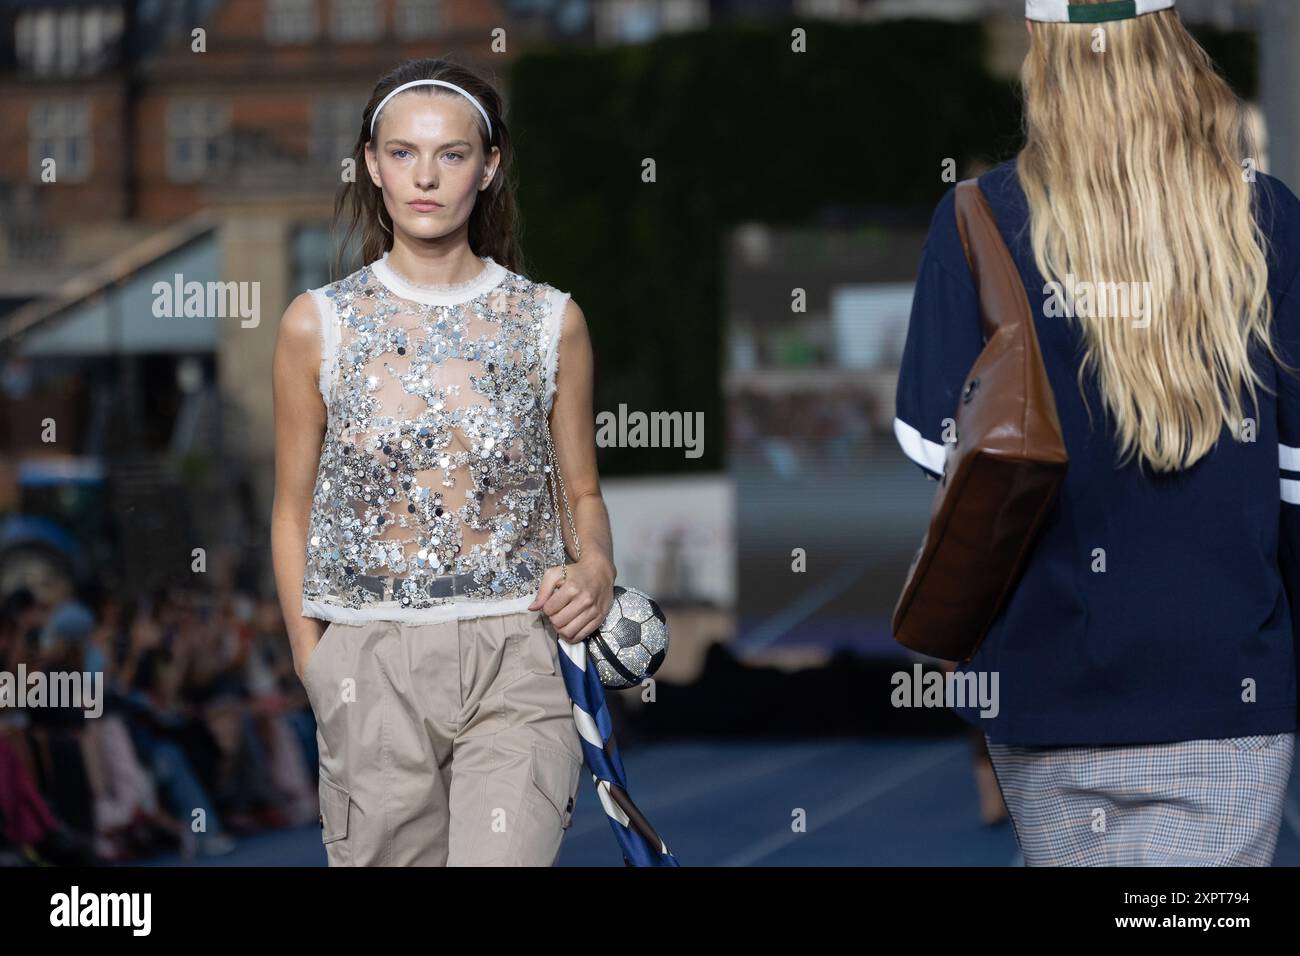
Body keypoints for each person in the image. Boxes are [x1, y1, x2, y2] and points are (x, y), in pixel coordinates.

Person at [894, 0, 1297, 865]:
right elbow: (1295, 479)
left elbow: (937, 454)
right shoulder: (1267, 219)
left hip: (1047, 684)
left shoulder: (976, 219)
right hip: (1228, 677)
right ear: (1172, 42)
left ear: (1041, 47)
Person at [270, 57, 617, 866]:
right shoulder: (315, 325)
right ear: (370, 164)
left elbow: (582, 493)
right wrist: (311, 660)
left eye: (452, 154)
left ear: (488, 167)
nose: (425, 176)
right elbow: (289, 509)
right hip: (368, 662)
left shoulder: (550, 321)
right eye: (402, 153)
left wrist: (596, 565)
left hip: (517, 654)